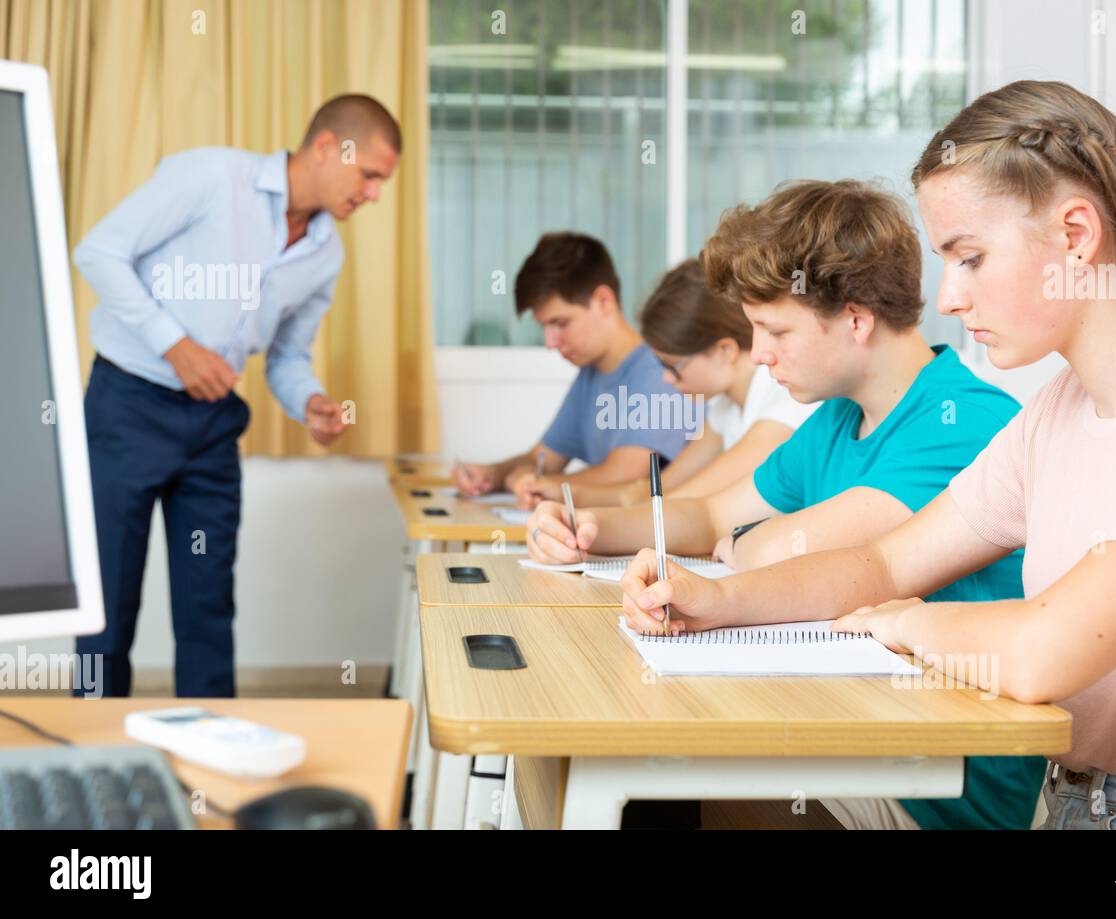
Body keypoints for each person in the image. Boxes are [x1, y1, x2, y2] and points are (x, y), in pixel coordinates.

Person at [620, 80, 1116, 829]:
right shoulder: (1056, 414)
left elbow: (1046, 649)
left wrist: (908, 623)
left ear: (1076, 235)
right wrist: (714, 602)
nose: (948, 298)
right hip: (1080, 806)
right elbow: (883, 564)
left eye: (969, 257)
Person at [531, 180, 1042, 830]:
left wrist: (743, 544)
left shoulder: (962, 422)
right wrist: (591, 526)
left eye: (774, 330)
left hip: (932, 786)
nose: (760, 353)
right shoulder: (837, 416)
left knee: (640, 778)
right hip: (846, 725)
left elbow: (795, 552)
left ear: (856, 319)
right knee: (589, 759)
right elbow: (715, 516)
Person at [74, 94, 401, 696]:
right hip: (127, 409)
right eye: (371, 175)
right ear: (329, 147)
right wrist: (176, 346)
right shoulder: (212, 177)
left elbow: (287, 357)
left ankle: (210, 770)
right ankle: (96, 762)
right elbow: (98, 251)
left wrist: (310, 403)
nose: (375, 193)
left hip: (213, 427)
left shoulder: (326, 253)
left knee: (208, 609)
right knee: (105, 611)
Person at [519, 258, 816, 509]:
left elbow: (690, 503)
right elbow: (659, 489)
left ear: (724, 351)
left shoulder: (781, 395)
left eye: (672, 366)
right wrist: (569, 494)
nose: (665, 378)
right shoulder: (725, 407)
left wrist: (590, 514)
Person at [451, 233, 692, 506]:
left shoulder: (661, 371)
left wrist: (536, 484)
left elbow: (625, 475)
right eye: (544, 327)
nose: (551, 343)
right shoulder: (592, 373)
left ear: (603, 301)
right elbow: (542, 459)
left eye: (560, 323)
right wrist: (493, 473)